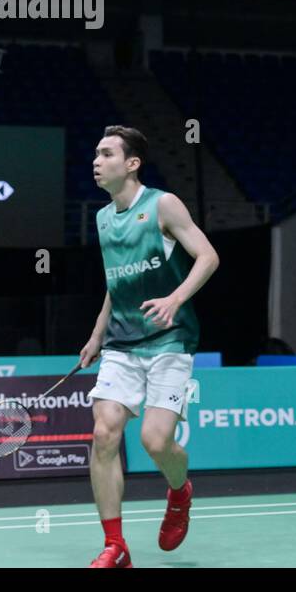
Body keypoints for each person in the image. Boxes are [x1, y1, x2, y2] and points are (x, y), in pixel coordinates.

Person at [79, 125, 220, 568]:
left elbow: (208, 256)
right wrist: (98, 333)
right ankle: (115, 545)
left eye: (106, 154)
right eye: (96, 154)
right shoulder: (103, 218)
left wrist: (176, 299)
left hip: (169, 340)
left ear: (132, 163)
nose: (96, 161)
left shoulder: (162, 205)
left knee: (156, 442)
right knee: (104, 433)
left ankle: (180, 492)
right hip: (122, 342)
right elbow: (117, 282)